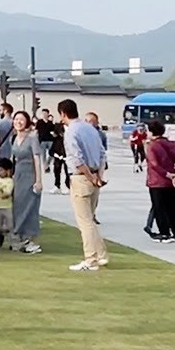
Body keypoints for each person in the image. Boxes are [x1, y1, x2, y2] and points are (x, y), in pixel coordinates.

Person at [60, 100, 109, 272]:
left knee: (85, 221)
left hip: (82, 177)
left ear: (63, 114)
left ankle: (91, 258)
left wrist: (90, 176)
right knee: (91, 219)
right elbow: (103, 154)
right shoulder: (90, 128)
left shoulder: (71, 131)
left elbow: (76, 158)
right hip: (95, 175)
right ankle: (100, 254)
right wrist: (98, 176)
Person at [8, 111, 44, 255]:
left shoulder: (32, 138)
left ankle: (29, 238)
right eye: (16, 119)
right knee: (17, 206)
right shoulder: (14, 138)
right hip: (18, 175)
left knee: (29, 207)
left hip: (30, 175)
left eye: (22, 120)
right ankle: (19, 237)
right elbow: (13, 159)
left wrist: (39, 180)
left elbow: (37, 159)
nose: (19, 122)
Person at [145, 120, 175, 242]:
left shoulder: (152, 146)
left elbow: (154, 164)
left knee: (159, 208)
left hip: (157, 181)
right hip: (170, 182)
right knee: (171, 207)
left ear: (152, 132)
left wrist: (167, 174)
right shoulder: (171, 144)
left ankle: (164, 233)